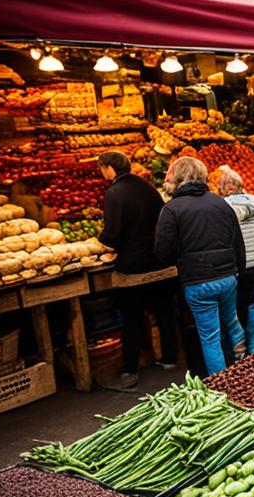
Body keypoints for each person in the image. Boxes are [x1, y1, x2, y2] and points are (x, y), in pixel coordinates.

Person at [153, 156, 245, 376]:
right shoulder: (220, 202)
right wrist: (236, 271)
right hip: (227, 277)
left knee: (210, 337)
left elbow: (162, 252)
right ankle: (242, 376)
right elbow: (238, 244)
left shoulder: (172, 209)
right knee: (230, 327)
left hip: (199, 282)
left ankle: (223, 387)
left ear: (177, 178)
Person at [97, 150, 178, 391]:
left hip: (132, 266)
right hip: (159, 260)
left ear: (110, 168)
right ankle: (170, 358)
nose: (101, 173)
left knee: (131, 318)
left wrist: (100, 241)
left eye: (101, 168)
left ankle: (130, 370)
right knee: (164, 311)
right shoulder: (147, 187)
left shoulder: (114, 193)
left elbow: (112, 235)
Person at [217, 169, 254, 355]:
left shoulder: (222, 206)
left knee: (232, 308)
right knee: (252, 304)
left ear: (223, 189)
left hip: (237, 266)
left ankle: (238, 353)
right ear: (241, 186)